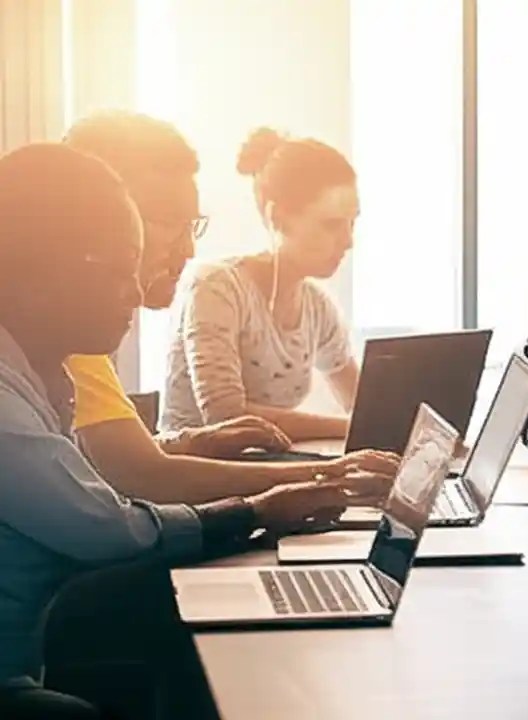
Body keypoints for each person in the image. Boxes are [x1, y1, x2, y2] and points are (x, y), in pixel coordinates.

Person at [0, 143, 357, 718]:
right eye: (119, 263)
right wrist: (262, 507)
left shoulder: (46, 365)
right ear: (41, 264)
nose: (137, 287)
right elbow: (106, 519)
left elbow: (80, 470)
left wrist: (189, 445)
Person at [63, 111, 397, 505]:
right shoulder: (69, 339)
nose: (189, 249)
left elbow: (106, 460)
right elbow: (145, 474)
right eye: (169, 222)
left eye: (192, 225)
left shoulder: (81, 340)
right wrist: (331, 473)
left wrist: (191, 441)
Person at [163, 127, 360, 441]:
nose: (348, 241)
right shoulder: (217, 287)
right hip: (197, 466)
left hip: (266, 462)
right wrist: (348, 427)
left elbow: (361, 404)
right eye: (332, 224)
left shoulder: (317, 307)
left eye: (352, 223)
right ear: (277, 218)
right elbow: (226, 415)